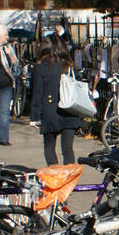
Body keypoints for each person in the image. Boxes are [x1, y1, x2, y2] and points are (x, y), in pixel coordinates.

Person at [30, 35, 82, 165]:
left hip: (50, 110)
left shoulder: (41, 67)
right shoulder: (69, 65)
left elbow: (38, 93)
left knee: (49, 147)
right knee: (68, 149)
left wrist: (35, 117)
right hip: (69, 109)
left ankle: (55, 176)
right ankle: (68, 178)